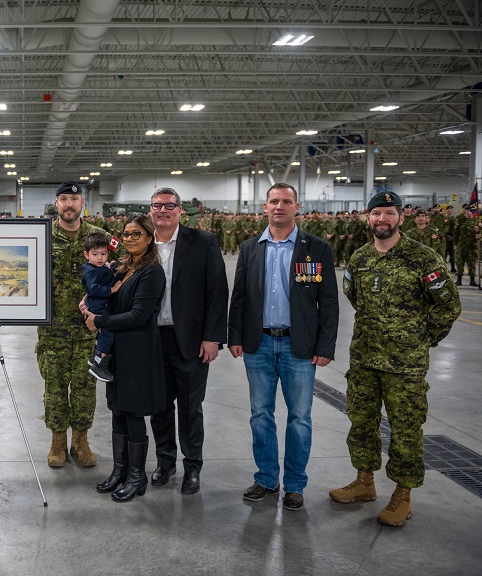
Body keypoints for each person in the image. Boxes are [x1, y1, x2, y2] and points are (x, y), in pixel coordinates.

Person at [330, 191, 461, 526]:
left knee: (405, 429)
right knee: (361, 422)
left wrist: (421, 338)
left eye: (389, 213)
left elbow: (448, 305)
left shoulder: (423, 258)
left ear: (401, 217)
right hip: (364, 358)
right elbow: (354, 297)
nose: (382, 219)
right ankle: (364, 482)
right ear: (368, 217)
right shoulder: (359, 258)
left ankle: (403, 496)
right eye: (376, 213)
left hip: (405, 365)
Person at [228, 183, 339, 511]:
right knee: (260, 414)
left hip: (298, 346)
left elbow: (328, 301)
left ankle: (295, 484)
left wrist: (325, 345)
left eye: (286, 201)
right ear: (265, 207)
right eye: (274, 201)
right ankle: (265, 478)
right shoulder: (251, 248)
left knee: (300, 417)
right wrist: (235, 336)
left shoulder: (316, 248)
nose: (279, 206)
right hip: (258, 343)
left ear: (296, 207)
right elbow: (239, 297)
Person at [145, 188, 228, 494]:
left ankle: (192, 465)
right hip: (152, 339)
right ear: (150, 210)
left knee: (191, 407)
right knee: (160, 407)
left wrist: (212, 337)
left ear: (181, 211)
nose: (163, 210)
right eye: (157, 205)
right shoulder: (142, 243)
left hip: (191, 341)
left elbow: (217, 291)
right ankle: (165, 461)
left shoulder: (202, 241)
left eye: (170, 205)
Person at [84, 215, 166, 502]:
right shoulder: (121, 267)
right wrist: (89, 303)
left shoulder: (152, 272)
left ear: (149, 238)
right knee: (117, 410)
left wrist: (99, 321)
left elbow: (139, 315)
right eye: (126, 234)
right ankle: (120, 471)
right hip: (117, 351)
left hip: (138, 351)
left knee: (133, 413)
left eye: (136, 234)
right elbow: (105, 296)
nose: (130, 238)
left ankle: (136, 476)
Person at [37, 181, 111, 469]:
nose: (69, 204)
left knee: (85, 387)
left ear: (83, 204)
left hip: (88, 331)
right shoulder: (41, 235)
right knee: (54, 387)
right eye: (64, 199)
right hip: (52, 330)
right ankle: (57, 441)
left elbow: (124, 267)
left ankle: (80, 440)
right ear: (57, 203)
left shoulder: (101, 237)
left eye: (74, 199)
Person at [82, 232, 120, 382]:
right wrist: (112, 290)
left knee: (103, 333)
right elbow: (94, 289)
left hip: (99, 304)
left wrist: (110, 267)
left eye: (103, 254)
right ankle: (100, 363)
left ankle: (95, 357)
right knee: (108, 332)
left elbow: (104, 275)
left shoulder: (97, 267)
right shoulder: (90, 271)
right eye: (95, 254)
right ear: (86, 255)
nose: (99, 258)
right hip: (99, 306)